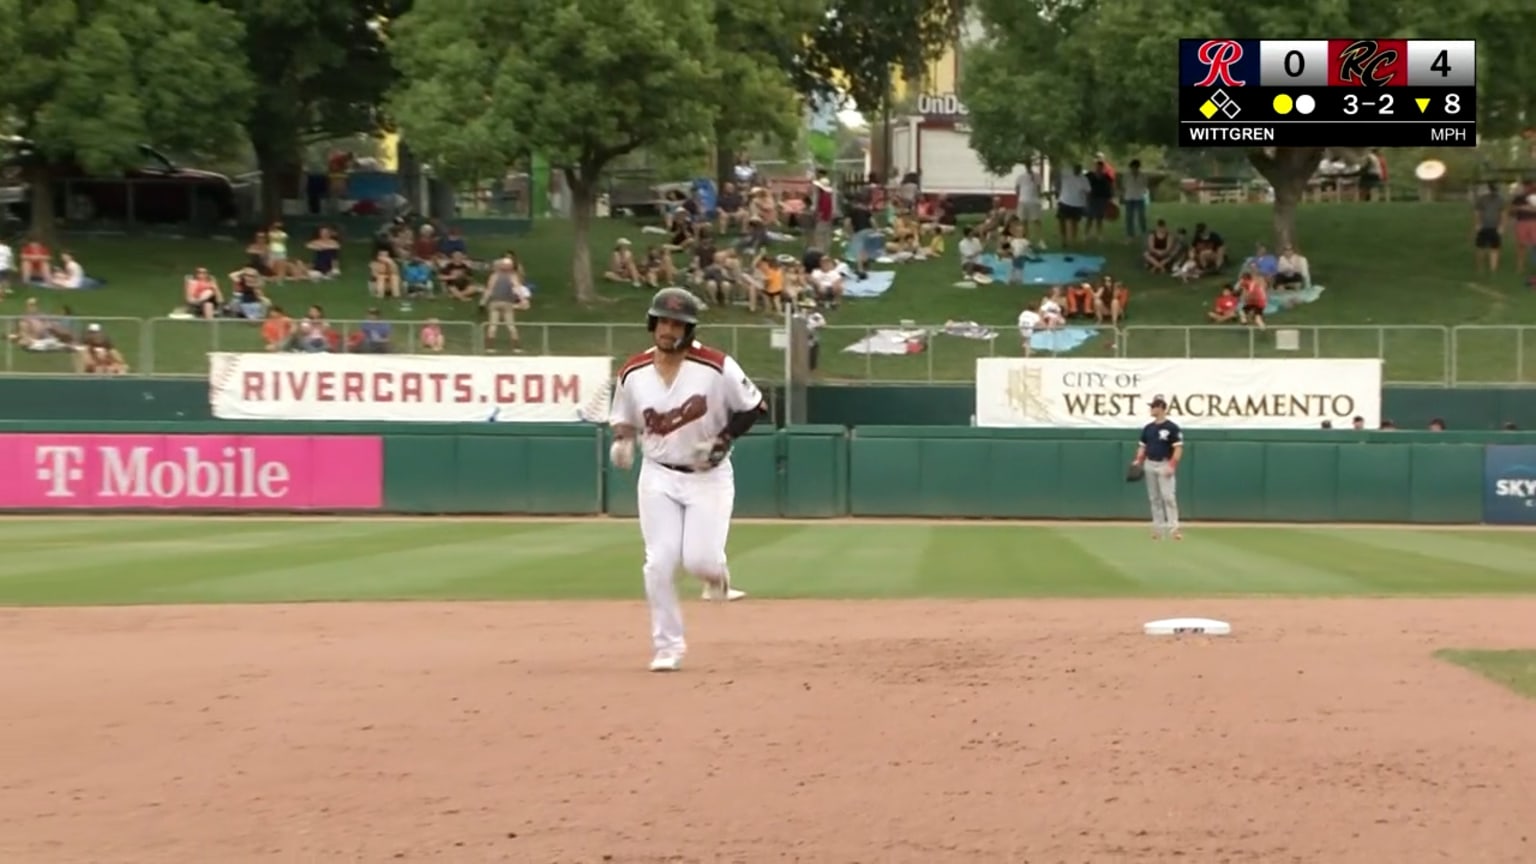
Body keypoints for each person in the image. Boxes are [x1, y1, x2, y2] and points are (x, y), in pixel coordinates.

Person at [608, 287, 762, 672]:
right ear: (652, 323)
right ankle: (668, 647)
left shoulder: (716, 366)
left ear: (689, 329)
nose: (668, 329)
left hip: (708, 477)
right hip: (658, 474)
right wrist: (623, 441)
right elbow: (624, 418)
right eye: (662, 321)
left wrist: (723, 438)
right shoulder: (633, 371)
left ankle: (717, 576)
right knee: (658, 563)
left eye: (677, 324)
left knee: (700, 560)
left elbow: (754, 406)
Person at [1131, 396, 1183, 540]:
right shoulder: (1148, 428)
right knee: (1154, 498)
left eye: (1153, 407)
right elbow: (1142, 446)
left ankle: (1174, 529)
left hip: (1164, 463)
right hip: (1150, 463)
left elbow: (1178, 448)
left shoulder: (1172, 428)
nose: (1151, 409)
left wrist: (1172, 465)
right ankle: (1158, 529)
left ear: (1161, 408)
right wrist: (1138, 460)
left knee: (1168, 497)